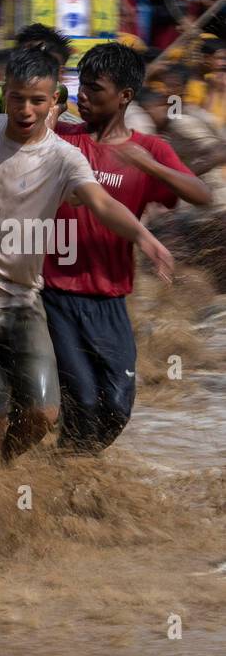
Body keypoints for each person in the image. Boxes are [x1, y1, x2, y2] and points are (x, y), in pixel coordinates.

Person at [0, 47, 174, 460]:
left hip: (23, 296)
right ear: (4, 93)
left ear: (54, 100)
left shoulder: (64, 157)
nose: (26, 110)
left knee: (43, 413)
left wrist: (145, 237)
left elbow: (102, 204)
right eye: (17, 98)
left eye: (37, 101)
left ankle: (2, 471)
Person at [47, 43, 206, 452]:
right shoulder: (63, 138)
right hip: (55, 293)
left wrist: (149, 165)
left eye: (94, 89)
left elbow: (201, 194)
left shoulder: (151, 150)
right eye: (81, 86)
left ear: (124, 96)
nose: (83, 95)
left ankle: (69, 464)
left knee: (117, 406)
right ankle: (63, 470)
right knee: (83, 400)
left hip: (111, 296)